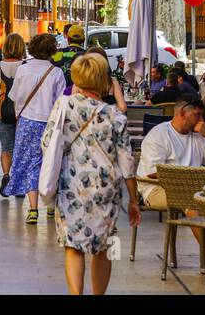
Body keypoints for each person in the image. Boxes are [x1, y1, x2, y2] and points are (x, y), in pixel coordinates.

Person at [43, 52, 140, 295]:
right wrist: (134, 199)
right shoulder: (114, 115)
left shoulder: (63, 106)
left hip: (71, 185)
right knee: (102, 247)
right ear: (103, 81)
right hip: (105, 189)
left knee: (73, 247)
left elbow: (46, 142)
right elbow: (127, 161)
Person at [137, 94, 205, 255]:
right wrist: (188, 180)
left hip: (194, 188)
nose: (201, 120)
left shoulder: (199, 136)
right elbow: (153, 173)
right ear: (182, 113)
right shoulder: (159, 134)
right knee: (193, 203)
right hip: (157, 188)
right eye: (197, 115)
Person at [2, 33, 66, 222]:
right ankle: (50, 207)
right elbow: (60, 102)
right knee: (51, 162)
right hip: (49, 123)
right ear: (52, 51)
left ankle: (32, 209)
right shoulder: (56, 72)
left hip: (27, 121)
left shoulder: (23, 70)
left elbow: (13, 97)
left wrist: (18, 116)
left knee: (30, 163)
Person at [0, 32, 28, 195]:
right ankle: (19, 182)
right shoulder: (26, 66)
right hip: (23, 113)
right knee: (21, 148)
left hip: (3, 111)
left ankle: (6, 175)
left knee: (6, 148)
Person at [53, 23, 86, 89]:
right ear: (83, 40)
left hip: (61, 94)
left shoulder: (57, 54)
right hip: (81, 94)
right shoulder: (88, 56)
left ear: (68, 39)